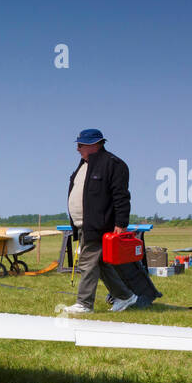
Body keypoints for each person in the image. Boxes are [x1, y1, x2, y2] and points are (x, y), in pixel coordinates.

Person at [62, 129, 136, 313]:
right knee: (100, 263)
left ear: (94, 144)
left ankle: (84, 304)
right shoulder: (83, 165)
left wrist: (121, 223)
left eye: (80, 145)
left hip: (99, 224)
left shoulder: (113, 164)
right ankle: (125, 296)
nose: (77, 149)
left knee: (86, 263)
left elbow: (121, 197)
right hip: (82, 225)